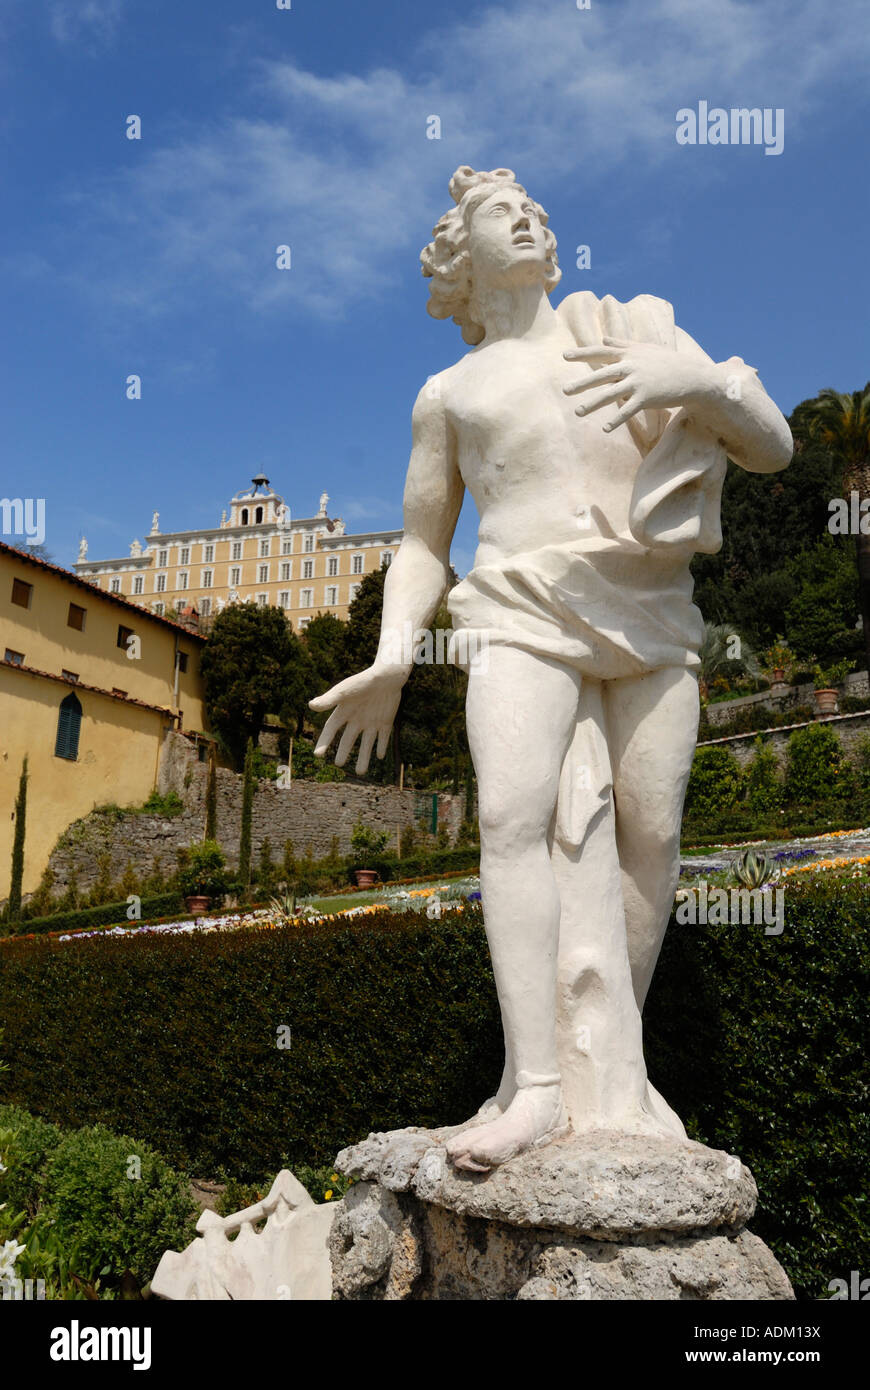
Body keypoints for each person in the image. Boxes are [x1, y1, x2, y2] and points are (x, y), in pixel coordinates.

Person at [311, 166, 792, 1172]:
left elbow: (774, 445)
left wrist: (691, 384)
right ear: (462, 255)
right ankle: (534, 1086)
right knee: (511, 818)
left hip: (652, 614)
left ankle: (608, 1067)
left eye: (535, 209)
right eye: (501, 211)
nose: (528, 216)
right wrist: (394, 657)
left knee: (652, 832)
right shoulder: (451, 391)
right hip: (518, 610)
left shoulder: (632, 334)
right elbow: (422, 541)